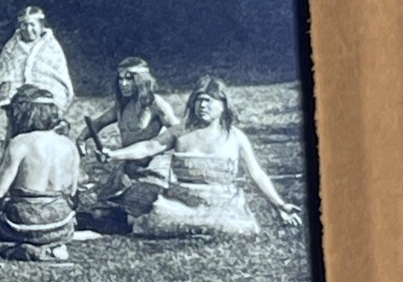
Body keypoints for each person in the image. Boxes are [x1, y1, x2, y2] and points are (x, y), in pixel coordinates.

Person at [102, 75, 301, 237]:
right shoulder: (181, 131)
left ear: (223, 105)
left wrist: (279, 205)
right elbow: (149, 147)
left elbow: (257, 174)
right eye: (198, 100)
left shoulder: (235, 137)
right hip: (180, 203)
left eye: (208, 101)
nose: (202, 106)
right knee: (159, 222)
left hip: (222, 204)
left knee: (236, 228)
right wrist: (113, 154)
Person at [0, 86, 80, 261]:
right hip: (62, 224)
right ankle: (50, 246)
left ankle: (23, 250)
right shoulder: (69, 145)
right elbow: (72, 190)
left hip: (23, 222)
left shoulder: (20, 143)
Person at [77, 58, 180, 229]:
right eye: (120, 79)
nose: (123, 83)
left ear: (142, 80)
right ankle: (123, 214)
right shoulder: (122, 104)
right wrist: (81, 138)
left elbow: (178, 132)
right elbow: (98, 122)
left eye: (129, 78)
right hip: (128, 169)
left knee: (133, 219)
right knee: (98, 214)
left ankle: (135, 214)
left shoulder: (156, 104)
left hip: (153, 169)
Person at [0, 6, 73, 167]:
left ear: (41, 26)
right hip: (20, 106)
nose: (28, 29)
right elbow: (5, 74)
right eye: (24, 25)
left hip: (44, 107)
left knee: (45, 141)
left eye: (32, 25)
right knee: (19, 142)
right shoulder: (11, 48)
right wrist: (7, 96)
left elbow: (58, 77)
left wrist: (54, 100)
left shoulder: (52, 48)